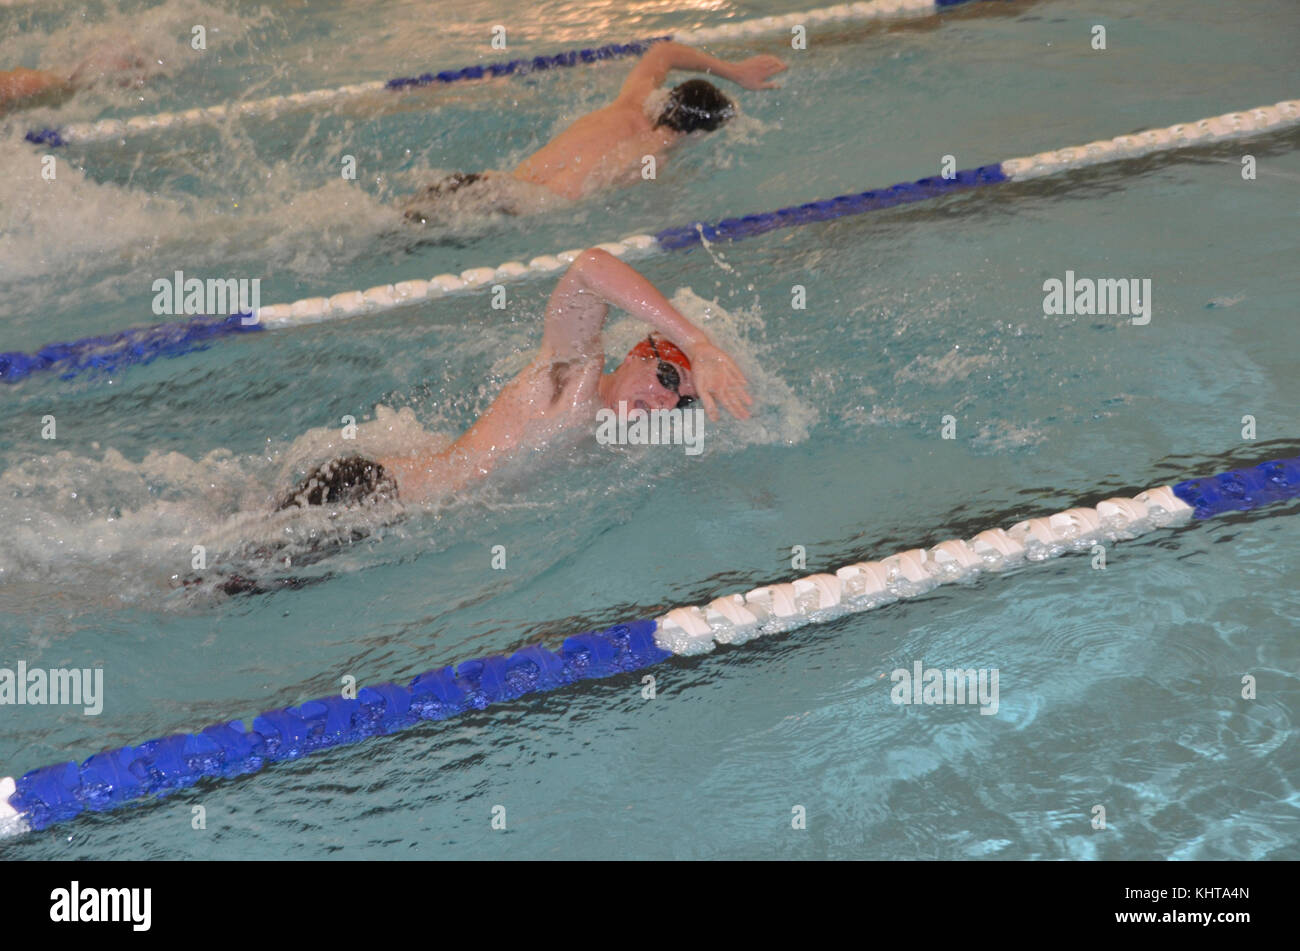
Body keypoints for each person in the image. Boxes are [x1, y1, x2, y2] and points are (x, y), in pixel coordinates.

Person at [277, 247, 752, 509]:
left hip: (385, 503)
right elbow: (591, 268)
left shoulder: (619, 433)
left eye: (684, 401)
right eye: (669, 376)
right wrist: (699, 344)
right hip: (364, 497)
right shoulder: (574, 378)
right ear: (635, 354)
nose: (668, 402)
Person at [402, 41, 787, 221]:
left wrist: (733, 70)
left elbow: (663, 51)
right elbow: (655, 215)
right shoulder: (656, 156)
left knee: (395, 220)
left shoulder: (633, 101)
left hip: (489, 183)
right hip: (515, 209)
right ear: (697, 133)